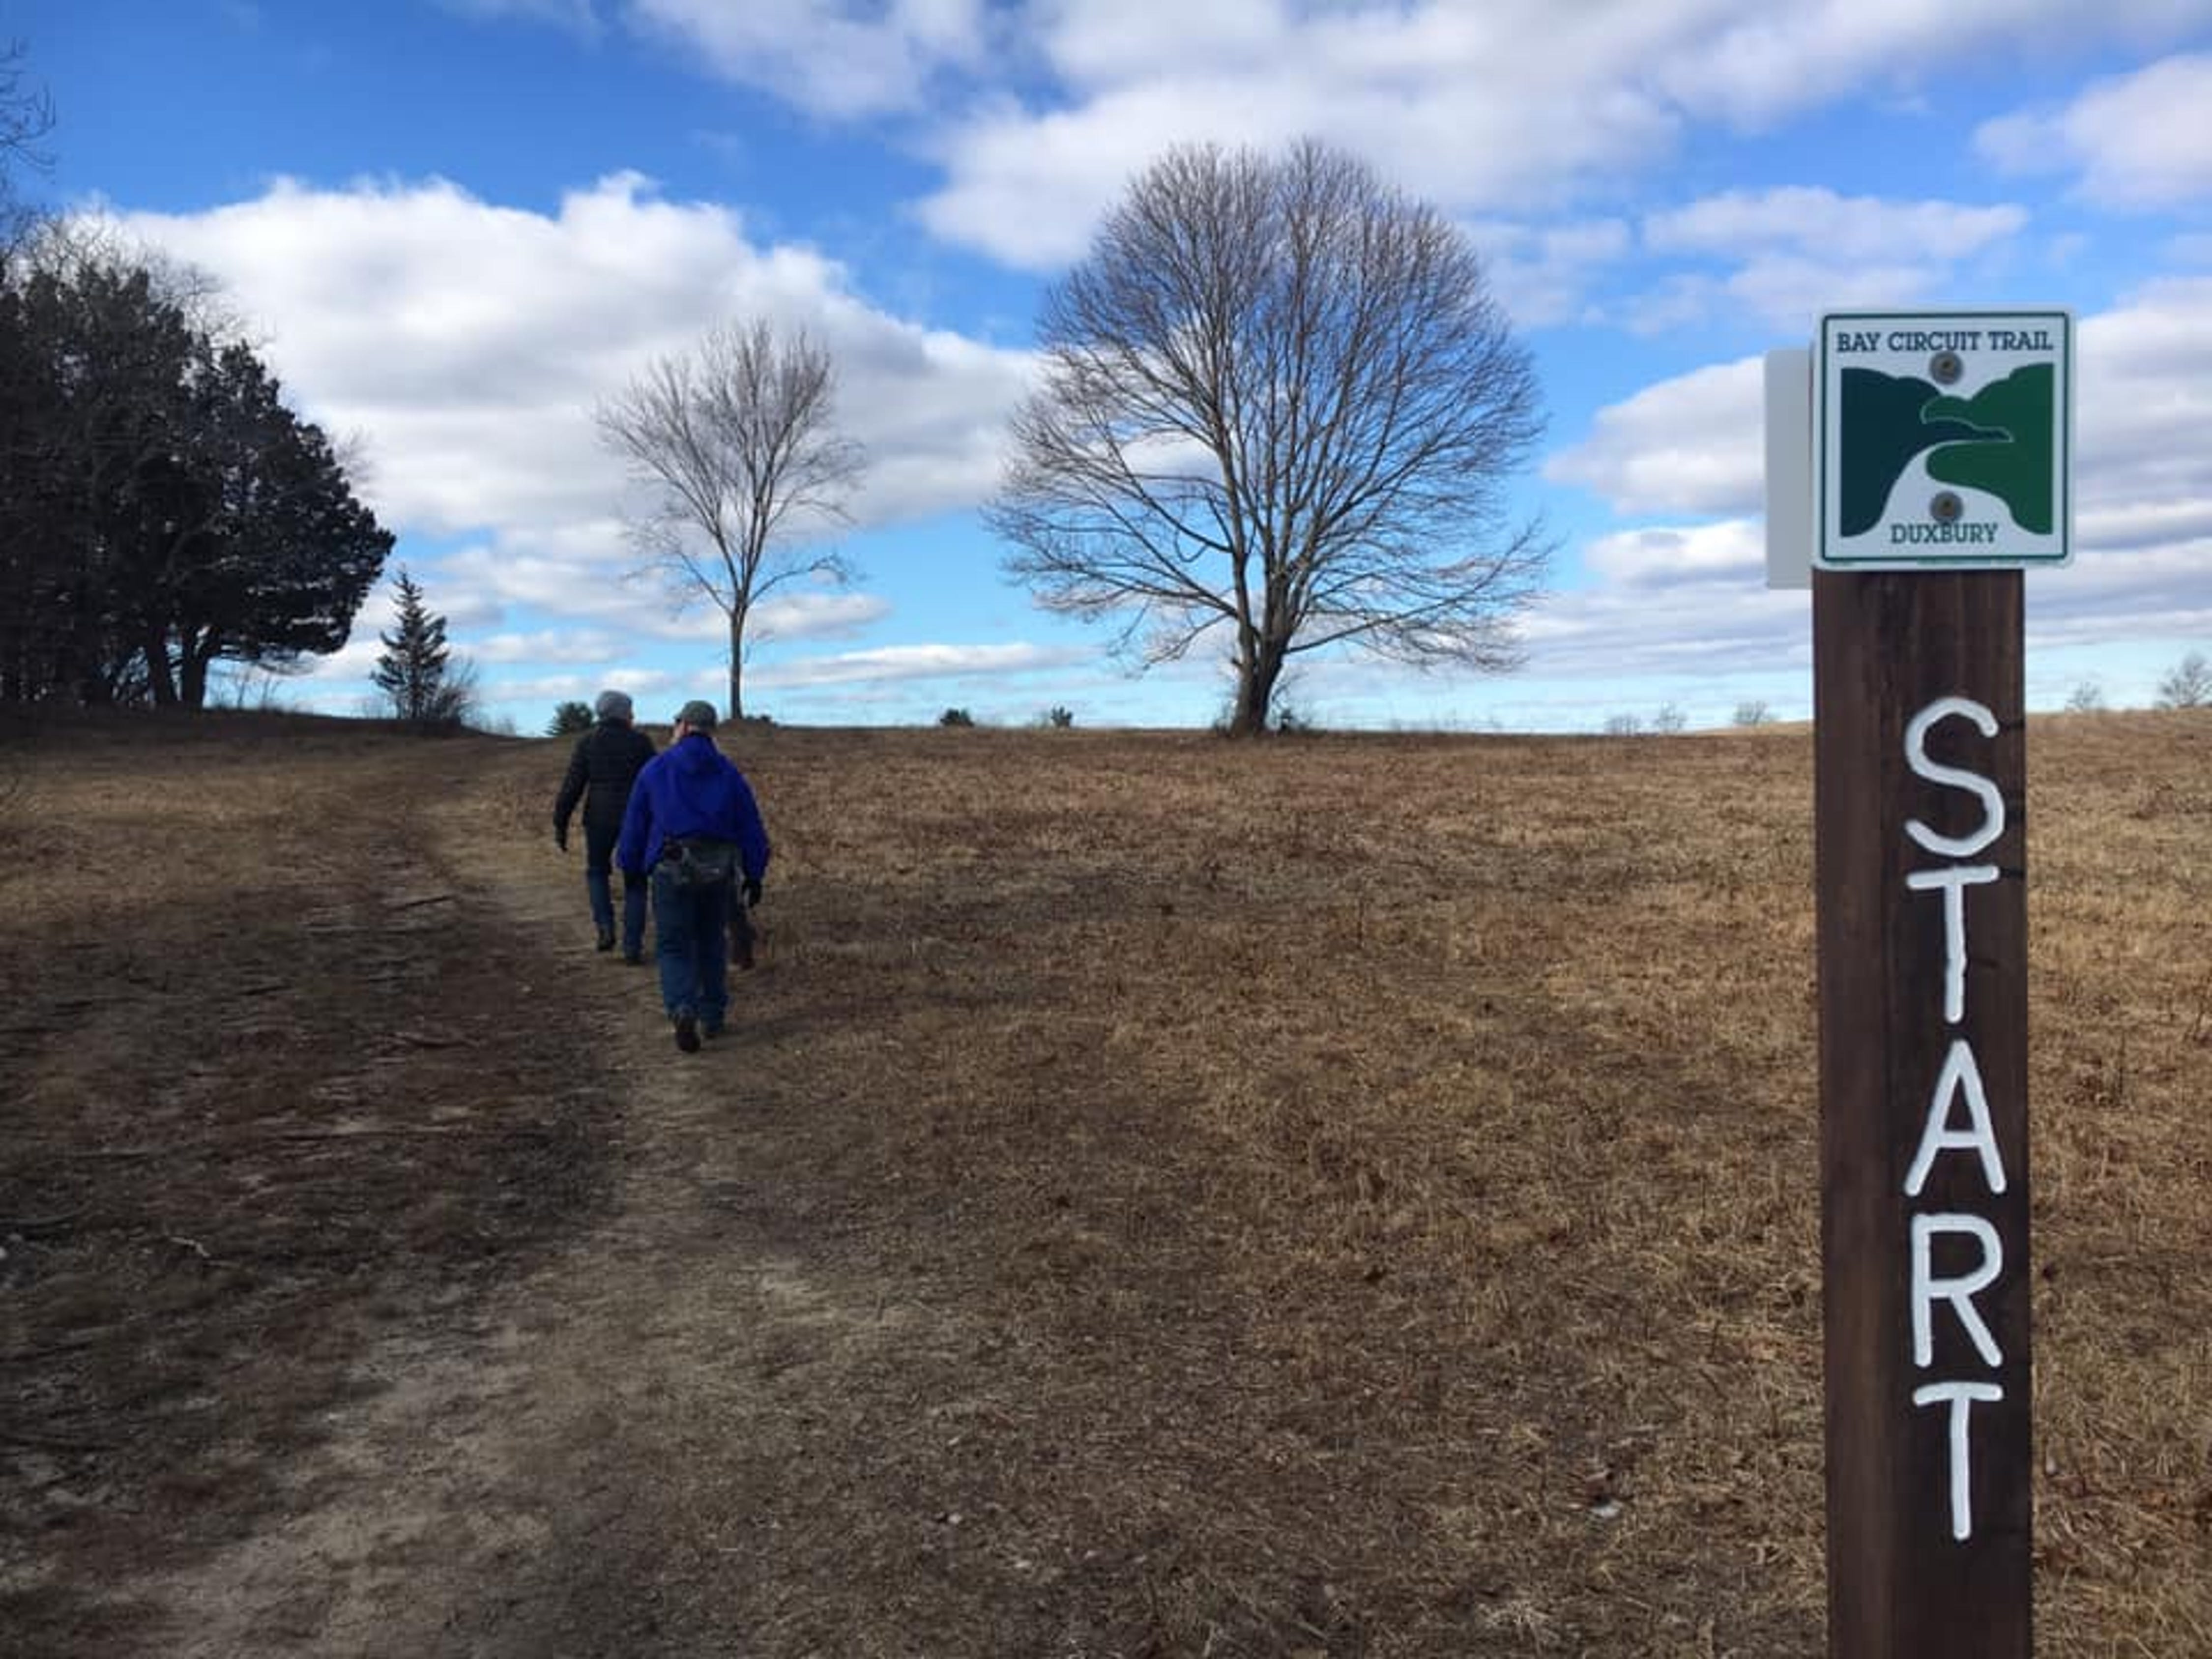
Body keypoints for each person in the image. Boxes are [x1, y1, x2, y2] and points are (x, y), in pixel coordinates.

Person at [616, 700, 771, 1053]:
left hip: (671, 867)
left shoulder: (656, 769)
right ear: (710, 730)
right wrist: (755, 873)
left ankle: (682, 1007)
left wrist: (631, 865)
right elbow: (750, 825)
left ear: (684, 726)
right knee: (711, 941)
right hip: (718, 870)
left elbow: (636, 822)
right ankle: (713, 1016)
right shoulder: (728, 772)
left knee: (673, 945)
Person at [553, 690, 657, 961]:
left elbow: (572, 785)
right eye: (630, 710)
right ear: (621, 713)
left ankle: (605, 928)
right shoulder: (641, 742)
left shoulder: (588, 742)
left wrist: (560, 822)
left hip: (598, 816)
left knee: (597, 872)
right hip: (635, 818)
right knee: (635, 880)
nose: (633, 714)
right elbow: (657, 784)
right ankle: (632, 946)